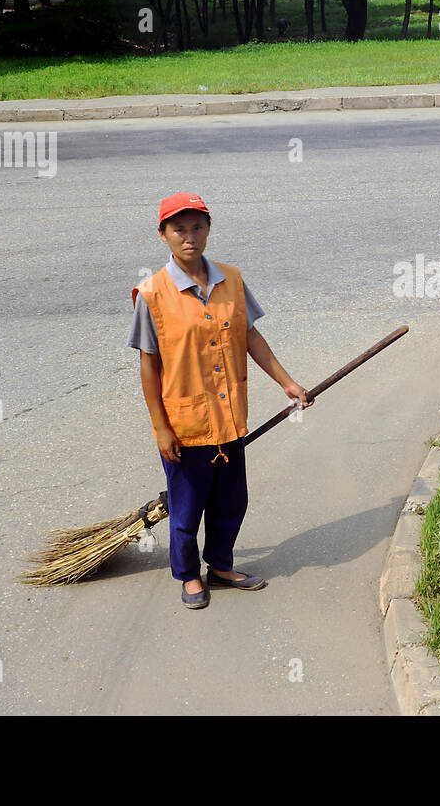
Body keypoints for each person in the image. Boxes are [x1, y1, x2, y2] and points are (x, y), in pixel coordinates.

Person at [128, 192, 312, 608]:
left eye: (197, 227)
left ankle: (222, 566)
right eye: (179, 229)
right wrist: (160, 428)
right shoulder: (153, 293)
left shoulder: (232, 280)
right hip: (186, 425)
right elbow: (148, 365)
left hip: (229, 418)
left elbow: (249, 336)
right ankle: (189, 575)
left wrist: (288, 383)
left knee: (232, 500)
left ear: (208, 230)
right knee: (188, 509)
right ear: (163, 235)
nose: (189, 236)